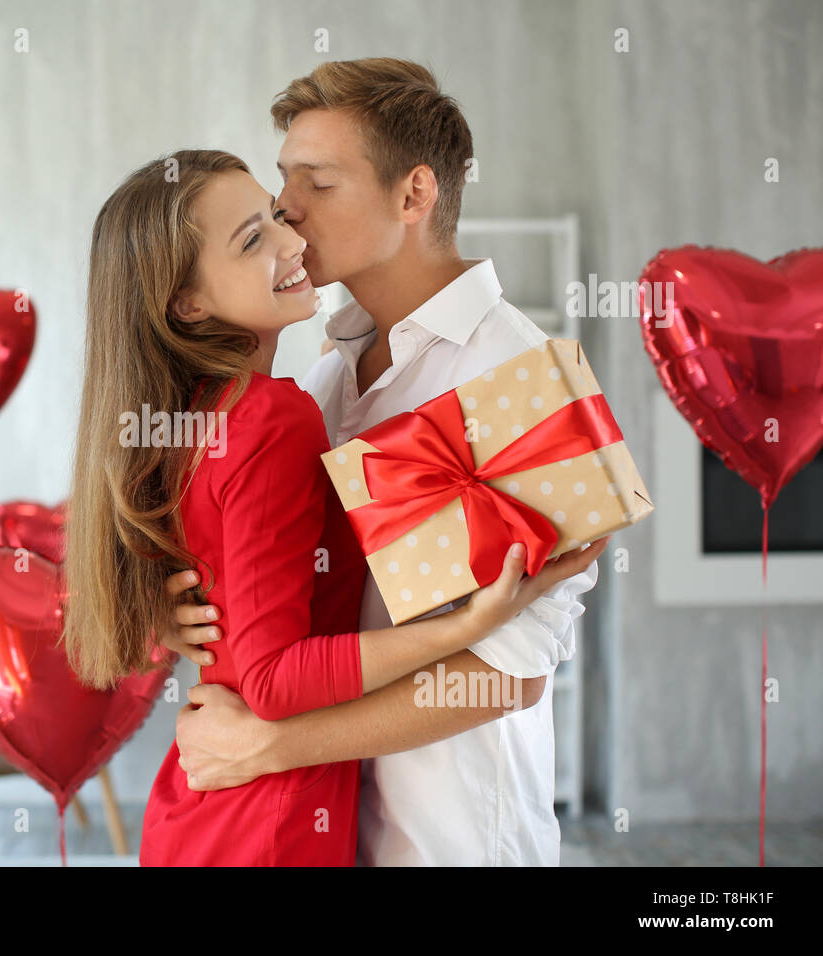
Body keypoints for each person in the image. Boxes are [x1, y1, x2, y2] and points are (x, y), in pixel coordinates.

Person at [62, 147, 604, 866]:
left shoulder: (199, 417)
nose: (294, 233)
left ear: (413, 195)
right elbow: (272, 678)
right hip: (271, 822)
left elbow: (518, 670)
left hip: (232, 810)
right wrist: (469, 624)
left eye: (297, 201)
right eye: (257, 234)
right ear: (186, 304)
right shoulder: (293, 403)